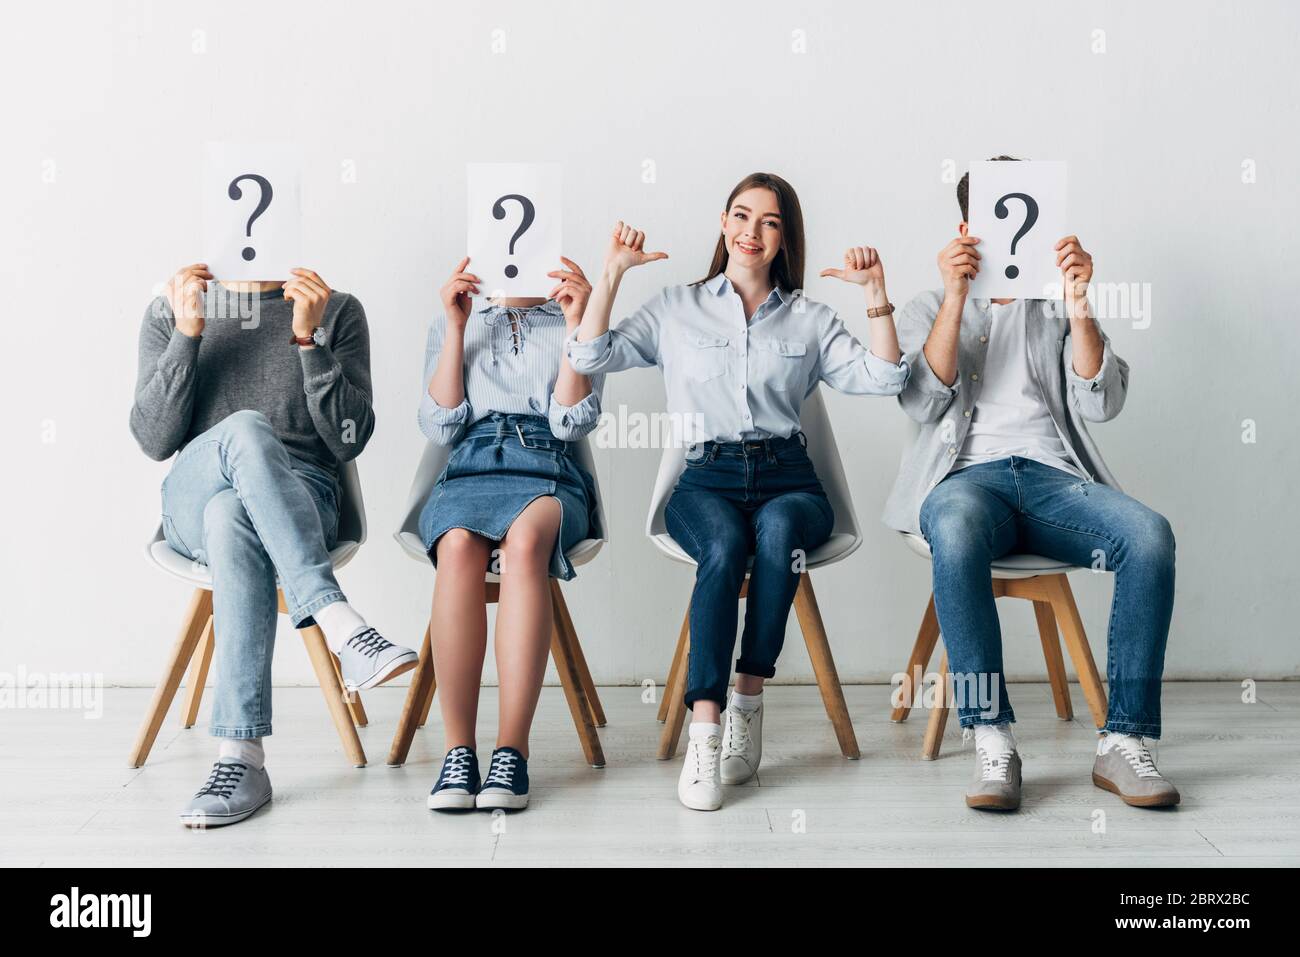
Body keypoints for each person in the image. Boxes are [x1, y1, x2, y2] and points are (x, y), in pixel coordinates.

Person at [567, 172, 909, 811]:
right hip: (706, 480)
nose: (752, 232)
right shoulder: (676, 307)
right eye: (742, 216)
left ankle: (748, 696)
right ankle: (705, 732)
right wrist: (611, 273)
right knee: (723, 548)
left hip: (790, 481)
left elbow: (886, 378)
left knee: (779, 534)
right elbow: (588, 358)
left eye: (770, 222)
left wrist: (877, 294)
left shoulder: (808, 318)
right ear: (724, 224)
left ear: (785, 238)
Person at [882, 157, 1179, 811]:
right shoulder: (930, 305)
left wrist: (1079, 306)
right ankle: (992, 738)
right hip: (965, 480)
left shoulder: (1055, 303)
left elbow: (1103, 401)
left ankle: (1124, 740)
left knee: (1150, 535)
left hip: (1055, 482)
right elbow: (923, 400)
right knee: (955, 529)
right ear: (968, 225)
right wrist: (958, 295)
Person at [131, 264, 418, 828]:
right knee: (243, 431)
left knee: (233, 514)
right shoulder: (173, 306)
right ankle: (339, 621)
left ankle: (241, 759)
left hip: (300, 494)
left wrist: (309, 341)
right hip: (193, 493)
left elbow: (350, 438)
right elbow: (153, 438)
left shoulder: (335, 308)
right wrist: (188, 335)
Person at [420, 256, 603, 813]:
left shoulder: (576, 319)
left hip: (547, 464)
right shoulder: (461, 317)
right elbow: (439, 424)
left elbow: (573, 422)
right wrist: (455, 325)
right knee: (456, 546)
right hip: (470, 462)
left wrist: (578, 326)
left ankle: (511, 752)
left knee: (525, 546)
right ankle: (458, 752)